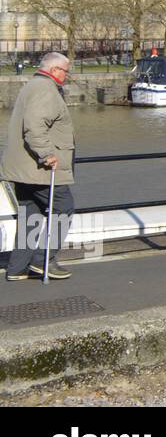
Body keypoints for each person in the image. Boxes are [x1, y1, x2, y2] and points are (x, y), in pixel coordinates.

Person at [2, 53, 75, 281]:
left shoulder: (32, 85)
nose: (67, 75)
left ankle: (17, 267)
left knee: (30, 214)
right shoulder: (46, 89)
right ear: (54, 70)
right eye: (65, 71)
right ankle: (43, 260)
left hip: (22, 169)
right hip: (40, 169)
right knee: (64, 208)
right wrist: (48, 155)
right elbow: (34, 127)